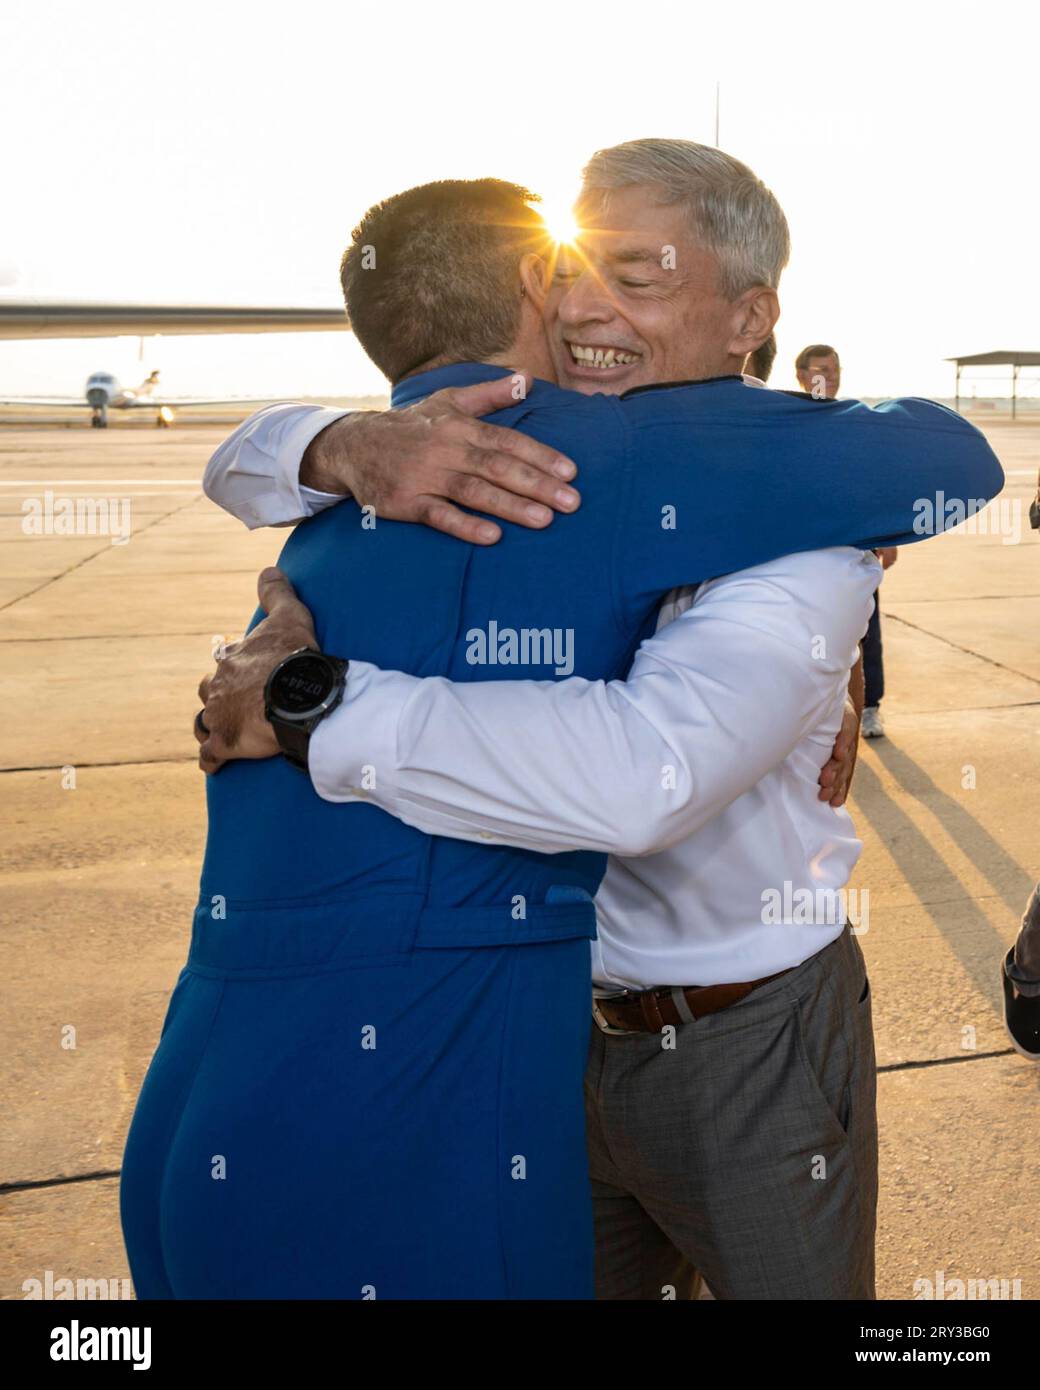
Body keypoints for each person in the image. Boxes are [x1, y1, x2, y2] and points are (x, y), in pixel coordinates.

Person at [196, 141, 1003, 1299]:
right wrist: (336, 444)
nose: (580, 306)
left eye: (635, 276)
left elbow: (643, 775)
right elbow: (241, 461)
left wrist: (311, 703)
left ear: (747, 319)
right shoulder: (510, 449)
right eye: (569, 271)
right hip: (538, 1032)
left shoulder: (809, 515)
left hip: (743, 1042)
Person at [796, 343, 894, 738]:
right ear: (801, 374)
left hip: (856, 547)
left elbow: (875, 483)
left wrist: (888, 536)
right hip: (805, 551)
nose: (831, 377)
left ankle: (869, 706)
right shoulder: (788, 418)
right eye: (822, 369)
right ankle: (812, 709)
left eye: (835, 369)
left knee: (865, 629)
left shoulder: (854, 420)